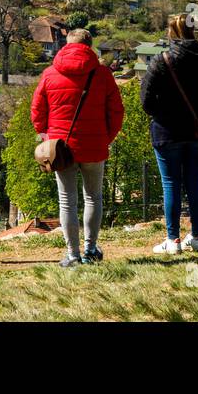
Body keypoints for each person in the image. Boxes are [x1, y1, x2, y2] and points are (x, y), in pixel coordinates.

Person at [140, 15, 198, 253]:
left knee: (171, 183)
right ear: (192, 31)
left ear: (171, 33)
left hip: (168, 132)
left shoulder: (160, 61)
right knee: (195, 183)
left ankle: (173, 241)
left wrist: (166, 115)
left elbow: (146, 102)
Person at [31, 28, 124, 267]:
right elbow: (116, 111)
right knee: (93, 197)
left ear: (66, 45)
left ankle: (72, 254)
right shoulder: (103, 74)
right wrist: (106, 138)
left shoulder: (50, 74)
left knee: (66, 200)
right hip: (94, 145)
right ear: (90, 46)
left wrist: (46, 137)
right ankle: (91, 248)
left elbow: (37, 111)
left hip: (61, 148)